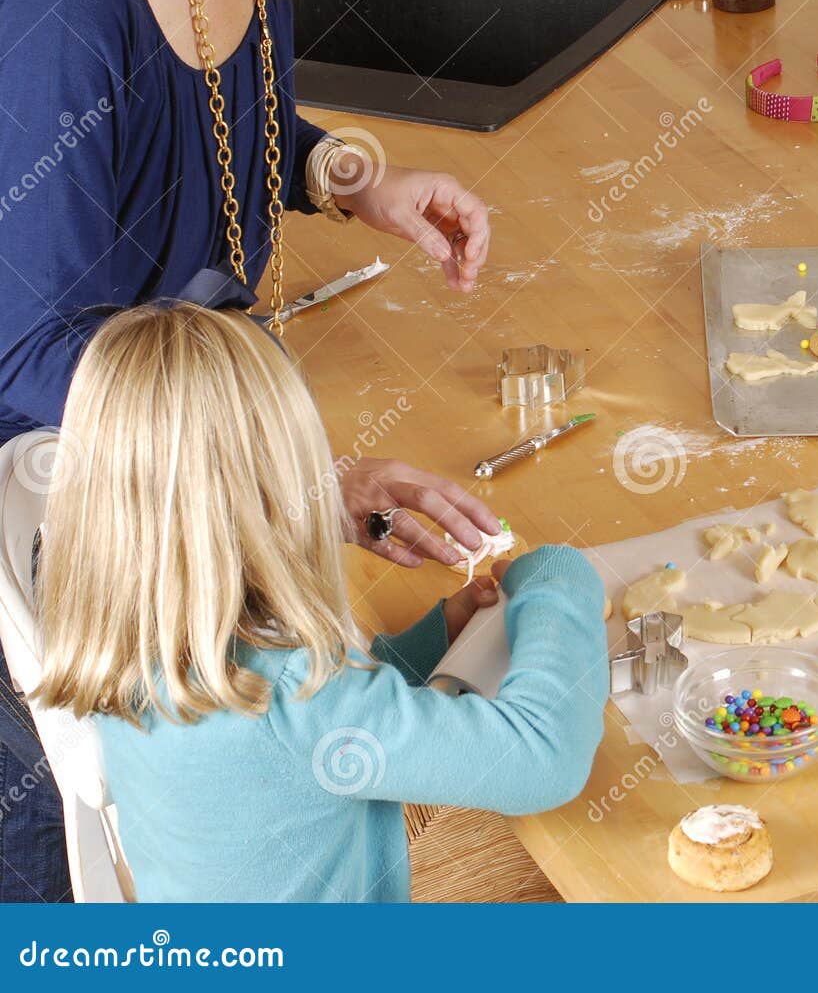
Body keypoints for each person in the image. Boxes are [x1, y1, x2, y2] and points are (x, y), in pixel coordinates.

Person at [0, 0, 503, 900]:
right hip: (64, 530)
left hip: (188, 483)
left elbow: (221, 127)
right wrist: (290, 477)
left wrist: (348, 177)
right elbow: (30, 358)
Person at [30, 304, 607, 902]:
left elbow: (301, 739)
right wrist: (559, 579)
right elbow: (543, 759)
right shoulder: (297, 697)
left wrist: (437, 640)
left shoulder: (133, 632)